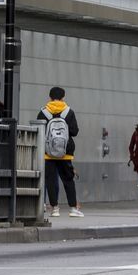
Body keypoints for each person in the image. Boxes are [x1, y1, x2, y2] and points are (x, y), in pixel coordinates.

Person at [38, 86, 83, 218]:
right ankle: (73, 208)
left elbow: (39, 131)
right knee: (68, 180)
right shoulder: (69, 112)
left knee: (51, 181)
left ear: (50, 97)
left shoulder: (43, 112)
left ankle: (54, 209)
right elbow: (74, 131)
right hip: (65, 152)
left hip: (48, 153)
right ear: (63, 97)